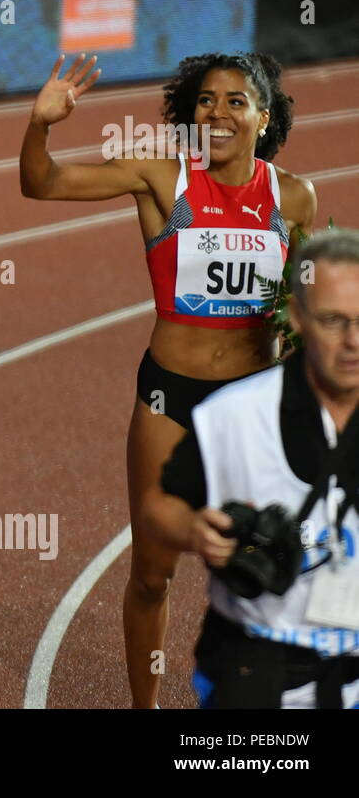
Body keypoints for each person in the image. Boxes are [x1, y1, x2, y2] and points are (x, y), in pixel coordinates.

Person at [20, 51, 317, 707]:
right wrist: (40, 125)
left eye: (236, 101)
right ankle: (146, 706)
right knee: (153, 572)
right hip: (169, 400)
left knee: (260, 563)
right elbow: (41, 183)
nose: (217, 113)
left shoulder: (292, 196)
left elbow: (307, 305)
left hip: (253, 410)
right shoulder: (164, 177)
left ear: (264, 117)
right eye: (206, 101)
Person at [143, 230, 359, 708]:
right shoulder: (231, 416)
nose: (353, 342)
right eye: (333, 321)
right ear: (297, 319)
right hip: (255, 672)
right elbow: (158, 508)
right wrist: (194, 529)